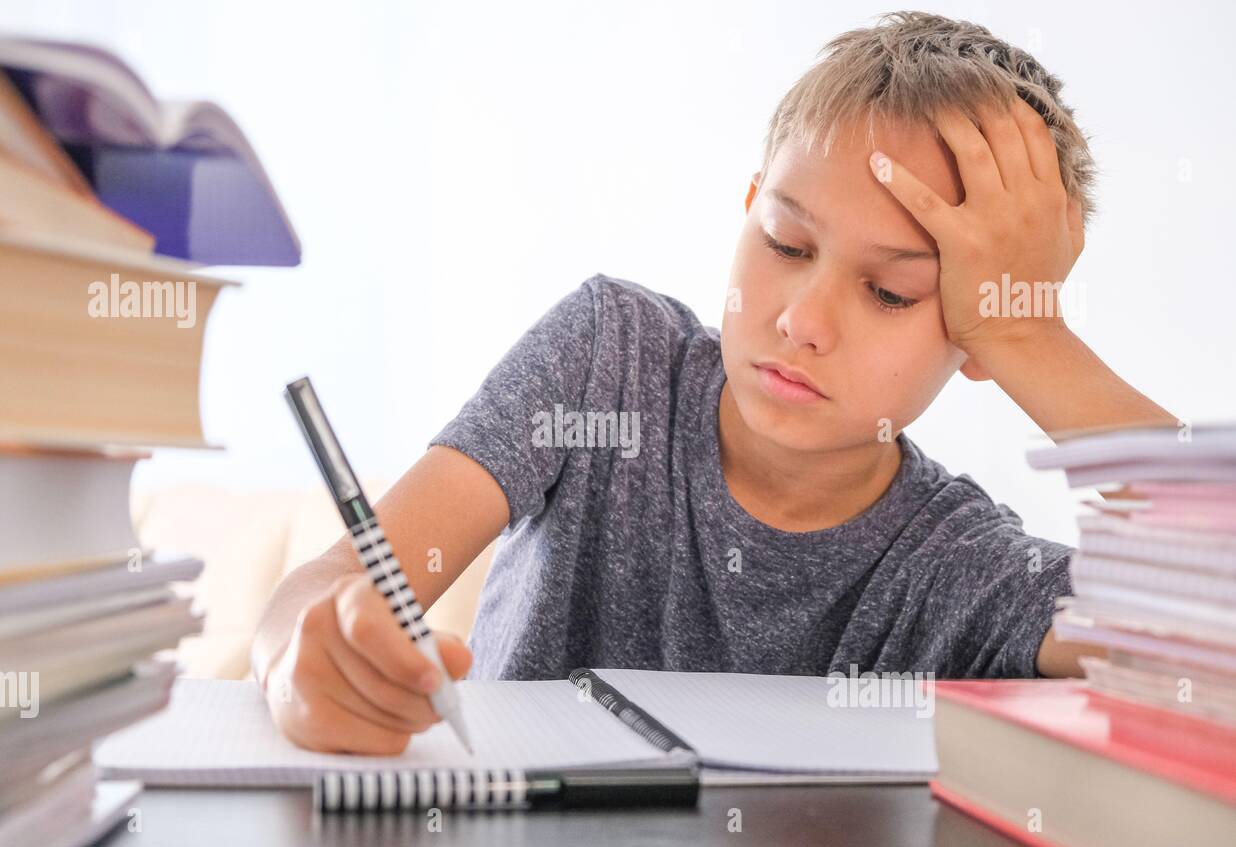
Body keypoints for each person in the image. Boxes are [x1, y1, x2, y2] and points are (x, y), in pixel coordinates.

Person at [252, 11, 1173, 754]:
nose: (802, 321)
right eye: (785, 243)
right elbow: (335, 581)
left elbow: (1205, 645)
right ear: (748, 210)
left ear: (974, 334)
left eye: (891, 292)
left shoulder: (957, 568)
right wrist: (301, 654)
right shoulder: (609, 358)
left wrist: (1030, 333)